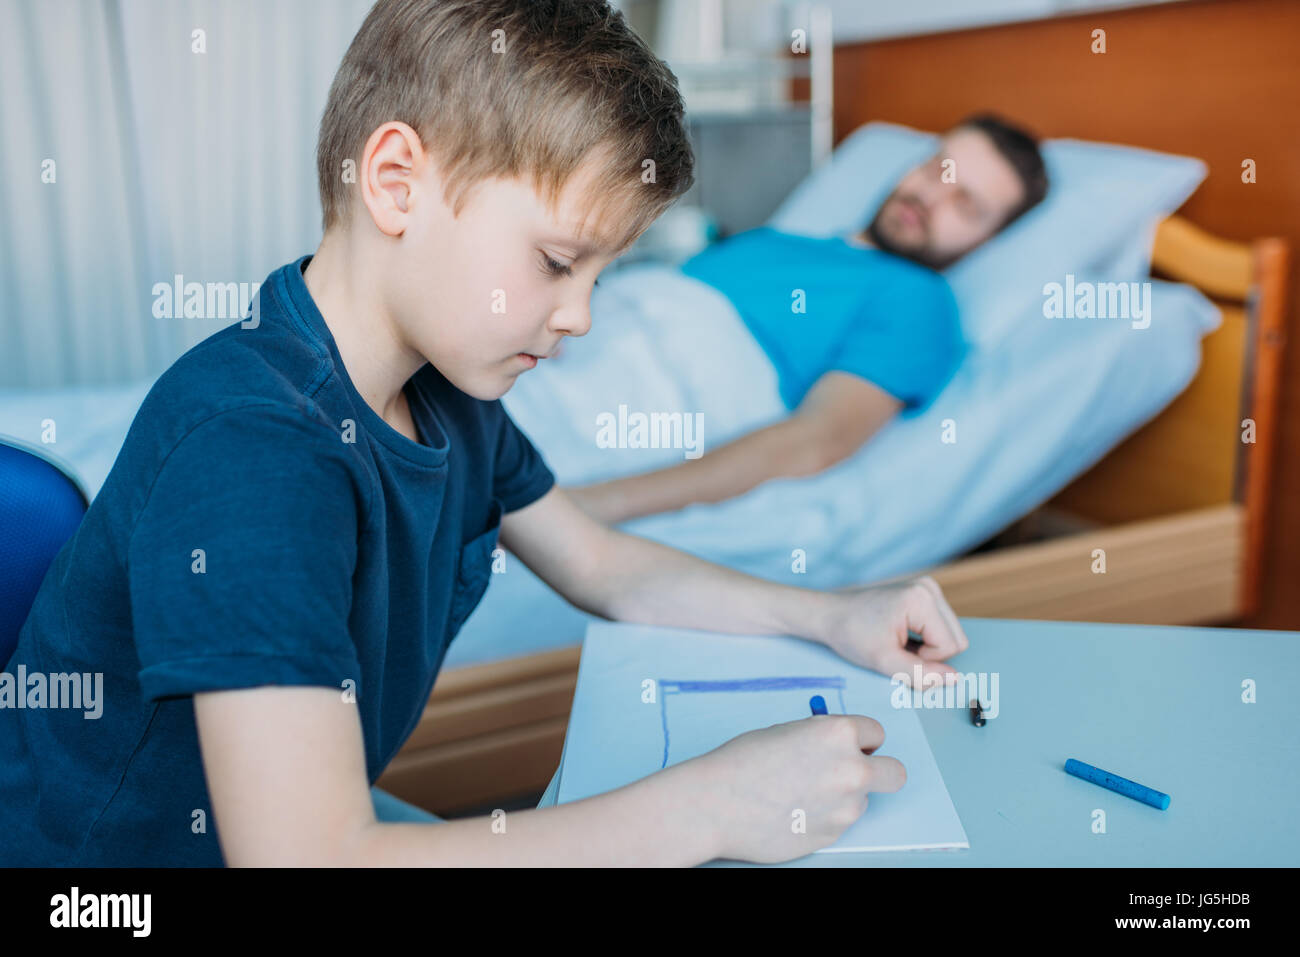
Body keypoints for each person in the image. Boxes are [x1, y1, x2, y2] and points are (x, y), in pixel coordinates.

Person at [0, 0, 970, 868]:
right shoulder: (254, 450)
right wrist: (712, 807)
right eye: (557, 262)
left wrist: (828, 612)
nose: (582, 315)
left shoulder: (448, 397)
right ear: (395, 183)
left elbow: (604, 567)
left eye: (599, 275)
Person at [566, 114, 1049, 524]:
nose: (931, 197)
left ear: (985, 242)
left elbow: (816, 441)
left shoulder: (920, 303)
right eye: (936, 169)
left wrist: (586, 506)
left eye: (965, 205)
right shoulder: (779, 241)